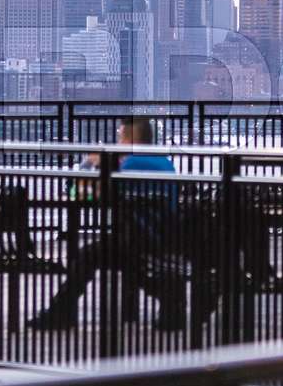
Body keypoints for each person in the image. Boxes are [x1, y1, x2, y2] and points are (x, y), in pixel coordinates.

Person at [28, 118, 177, 331]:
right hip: (163, 238)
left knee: (87, 256)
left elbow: (79, 192)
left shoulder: (130, 164)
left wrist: (90, 162)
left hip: (138, 242)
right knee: (108, 254)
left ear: (130, 138)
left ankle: (61, 312)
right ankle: (169, 304)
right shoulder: (164, 162)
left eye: (121, 136)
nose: (118, 141)